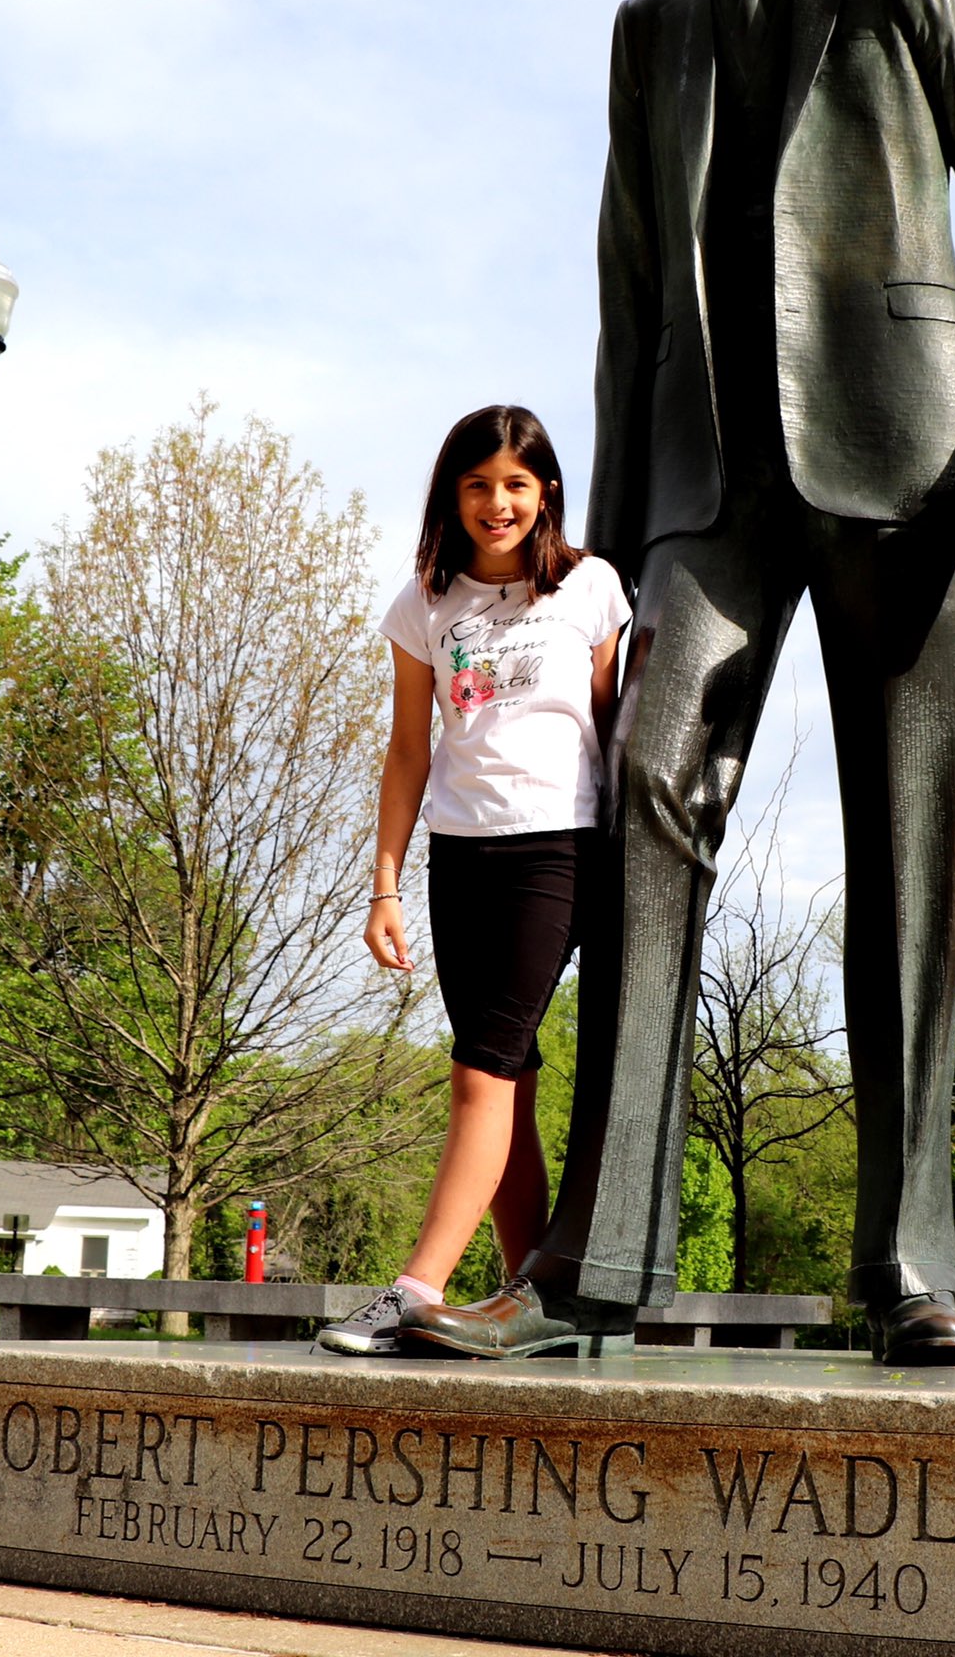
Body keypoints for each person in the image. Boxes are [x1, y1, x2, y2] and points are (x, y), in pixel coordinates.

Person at [408, 0, 955, 1367]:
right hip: (708, 489)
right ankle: (592, 1275)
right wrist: (589, 574)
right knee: (642, 798)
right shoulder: (646, 32)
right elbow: (624, 304)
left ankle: (910, 1269)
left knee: (903, 860)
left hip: (905, 447)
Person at [315, 404, 629, 1356]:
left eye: (517, 486)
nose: (498, 504)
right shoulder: (426, 602)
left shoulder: (590, 588)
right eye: (479, 485)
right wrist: (383, 885)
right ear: (453, 495)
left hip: (557, 849)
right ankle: (533, 1306)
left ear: (547, 495)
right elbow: (409, 749)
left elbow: (614, 732)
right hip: (461, 855)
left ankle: (413, 1291)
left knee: (479, 1074)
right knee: (513, 1085)